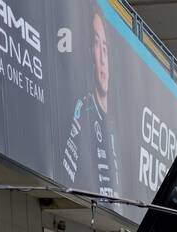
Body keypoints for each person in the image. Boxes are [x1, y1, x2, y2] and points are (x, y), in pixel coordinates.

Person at [61, 8, 118, 198]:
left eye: (105, 48)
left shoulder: (119, 124)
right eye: (96, 44)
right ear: (89, 52)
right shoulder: (82, 110)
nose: (102, 58)